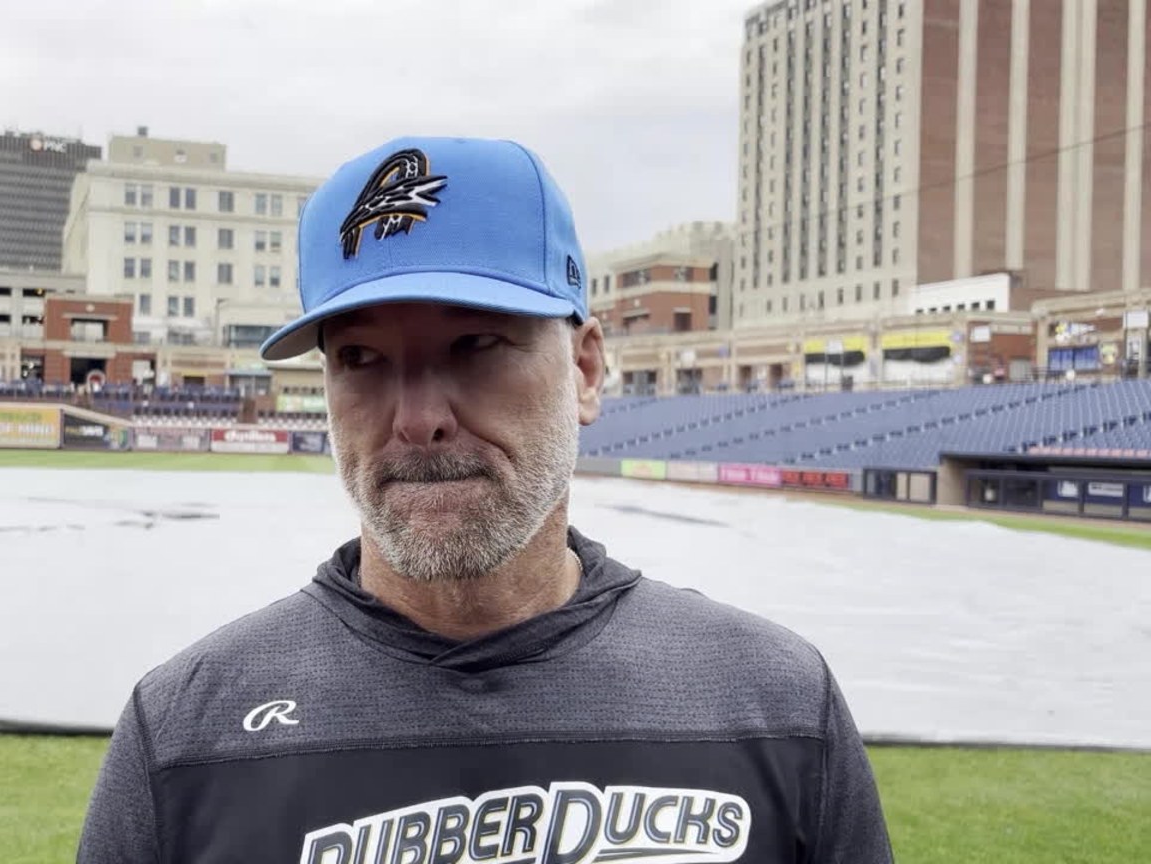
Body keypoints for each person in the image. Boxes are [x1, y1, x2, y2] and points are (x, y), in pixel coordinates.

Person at [77, 136, 893, 863]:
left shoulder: (773, 704)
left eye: (475, 344)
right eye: (360, 358)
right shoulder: (185, 734)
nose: (418, 419)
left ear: (585, 370)